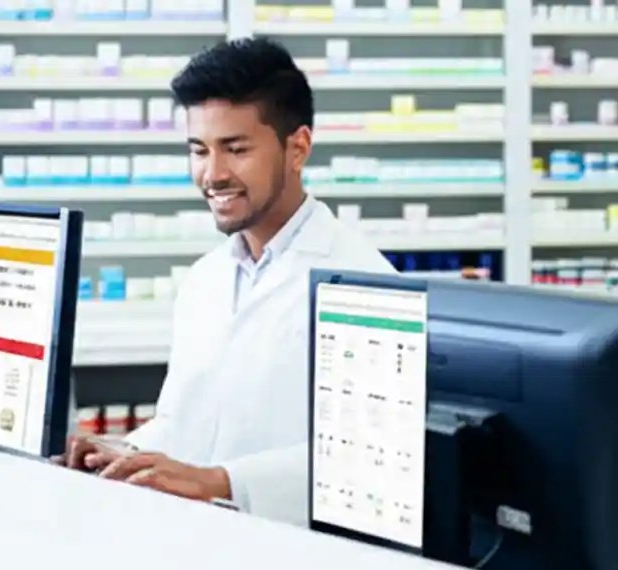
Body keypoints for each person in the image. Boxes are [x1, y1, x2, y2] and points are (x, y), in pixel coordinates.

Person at [57, 38, 394, 525]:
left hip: (302, 562)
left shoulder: (364, 283)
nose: (212, 174)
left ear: (297, 148)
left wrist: (220, 481)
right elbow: (183, 420)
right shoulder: (205, 279)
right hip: (203, 539)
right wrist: (123, 453)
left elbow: (369, 460)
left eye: (235, 149)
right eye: (199, 150)